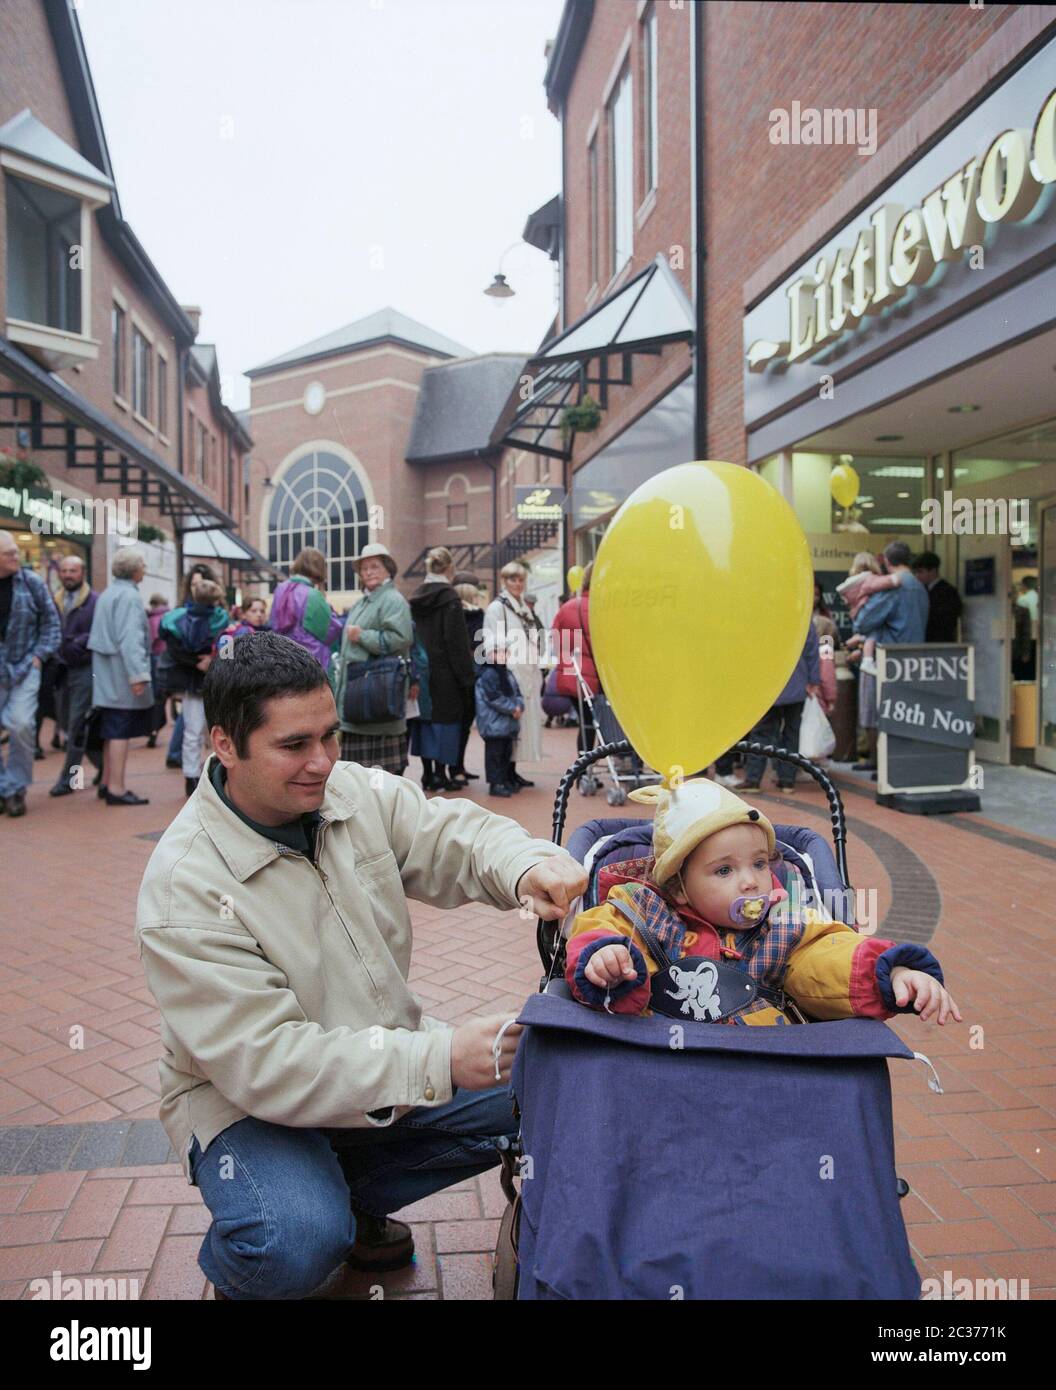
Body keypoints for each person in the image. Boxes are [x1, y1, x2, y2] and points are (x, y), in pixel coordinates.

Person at [135, 630, 586, 1300]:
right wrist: (436, 1061)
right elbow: (269, 1064)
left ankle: (349, 1200)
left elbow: (450, 836)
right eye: (293, 745)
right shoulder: (186, 889)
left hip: (377, 1067)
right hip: (244, 1105)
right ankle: (269, 1254)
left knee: (562, 1077)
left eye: (330, 735)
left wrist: (526, 865)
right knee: (294, 1237)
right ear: (224, 743)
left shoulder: (350, 793)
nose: (322, 762)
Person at [564, 778, 960, 1029]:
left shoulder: (784, 924)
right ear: (679, 885)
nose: (751, 880)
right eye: (724, 871)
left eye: (758, 863)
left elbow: (825, 959)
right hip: (663, 1064)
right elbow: (602, 927)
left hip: (762, 1066)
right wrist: (608, 958)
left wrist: (886, 974)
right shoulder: (646, 913)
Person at [846, 542, 929, 774]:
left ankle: (885, 764)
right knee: (905, 713)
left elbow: (864, 622)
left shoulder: (894, 588)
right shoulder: (920, 587)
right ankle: (899, 763)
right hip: (914, 659)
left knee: (881, 713)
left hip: (889, 659)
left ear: (887, 562)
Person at [334, 544, 413, 776]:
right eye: (364, 568)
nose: (368, 572)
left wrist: (363, 636)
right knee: (359, 780)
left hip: (376, 706)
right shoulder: (364, 602)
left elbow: (401, 638)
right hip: (362, 704)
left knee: (379, 783)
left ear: (388, 569)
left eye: (374, 566)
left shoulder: (392, 600)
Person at [0, 530, 60, 816]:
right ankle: (4, 787)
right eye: (9, 554)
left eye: (15, 552)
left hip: (25, 666)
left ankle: (16, 787)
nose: (16, 557)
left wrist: (38, 657)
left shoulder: (31, 582)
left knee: (21, 724)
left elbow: (51, 624)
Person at [88, 547, 154, 807]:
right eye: (143, 566)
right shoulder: (129, 597)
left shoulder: (109, 593)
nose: (145, 571)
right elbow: (131, 638)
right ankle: (116, 787)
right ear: (135, 569)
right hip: (120, 673)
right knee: (119, 730)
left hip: (107, 672)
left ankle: (107, 782)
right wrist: (138, 675)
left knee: (111, 729)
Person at [408, 547, 476, 792]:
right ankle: (441, 774)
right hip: (446, 673)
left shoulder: (414, 598)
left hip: (423, 671)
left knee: (426, 722)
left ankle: (427, 774)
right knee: (447, 724)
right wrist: (466, 677)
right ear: (449, 569)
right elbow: (456, 642)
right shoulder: (450, 599)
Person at [160, 576, 230, 796]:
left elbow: (174, 651)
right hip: (203, 681)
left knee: (196, 732)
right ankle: (199, 775)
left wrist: (204, 662)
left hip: (205, 680)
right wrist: (203, 663)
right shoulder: (217, 619)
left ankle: (195, 776)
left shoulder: (177, 619)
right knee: (202, 731)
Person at [735, 622, 821, 795]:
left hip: (770, 687)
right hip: (798, 684)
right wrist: (813, 679)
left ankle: (753, 779)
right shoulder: (803, 618)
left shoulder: (768, 616)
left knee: (762, 733)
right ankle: (787, 781)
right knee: (791, 734)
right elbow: (812, 650)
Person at [484, 562, 545, 788]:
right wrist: (504, 668)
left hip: (526, 672)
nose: (517, 584)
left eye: (520, 580)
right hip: (509, 673)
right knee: (506, 726)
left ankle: (512, 771)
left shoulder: (522, 607)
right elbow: (491, 642)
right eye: (512, 580)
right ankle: (502, 776)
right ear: (504, 581)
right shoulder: (497, 608)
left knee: (521, 726)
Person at [49, 555, 100, 797]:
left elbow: (97, 634)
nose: (68, 575)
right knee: (68, 724)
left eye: (73, 571)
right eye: (65, 570)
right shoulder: (52, 600)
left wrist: (74, 644)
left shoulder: (94, 602)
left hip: (84, 670)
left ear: (83, 573)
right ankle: (104, 766)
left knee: (77, 723)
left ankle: (69, 779)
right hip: (59, 670)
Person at [165, 564, 220, 770]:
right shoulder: (178, 618)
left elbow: (228, 644)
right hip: (193, 681)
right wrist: (198, 662)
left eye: (204, 584)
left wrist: (214, 660)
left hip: (216, 680)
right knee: (192, 730)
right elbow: (173, 649)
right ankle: (191, 775)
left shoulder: (220, 616)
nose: (200, 589)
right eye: (196, 584)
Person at [551, 561, 599, 756]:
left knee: (587, 724)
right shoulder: (603, 609)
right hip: (595, 679)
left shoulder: (567, 607)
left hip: (572, 676)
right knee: (594, 725)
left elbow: (555, 640)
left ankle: (583, 771)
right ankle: (586, 771)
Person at [270, 547, 344, 673]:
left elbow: (272, 622)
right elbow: (331, 631)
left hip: (283, 660)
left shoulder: (279, 590)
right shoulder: (312, 595)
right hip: (311, 663)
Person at [475, 634, 524, 799]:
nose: (503, 655)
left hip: (507, 724)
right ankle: (495, 784)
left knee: (505, 753)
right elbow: (493, 698)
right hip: (494, 724)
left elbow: (517, 692)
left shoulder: (507, 674)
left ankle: (503, 780)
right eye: (498, 652)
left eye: (505, 651)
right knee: (494, 755)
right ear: (489, 654)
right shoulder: (488, 674)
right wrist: (513, 709)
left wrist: (519, 706)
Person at [453, 579, 485, 782]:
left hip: (458, 673)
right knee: (464, 723)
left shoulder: (455, 616)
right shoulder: (477, 616)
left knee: (461, 724)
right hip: (473, 671)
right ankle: (458, 766)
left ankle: (457, 766)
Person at [911, 551, 962, 643]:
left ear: (933, 571)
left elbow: (946, 621)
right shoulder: (922, 590)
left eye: (920, 572)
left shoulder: (948, 592)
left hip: (940, 642)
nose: (917, 576)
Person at [145, 593, 170, 749]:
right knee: (167, 693)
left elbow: (151, 641)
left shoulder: (152, 620)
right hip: (169, 658)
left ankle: (153, 729)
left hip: (156, 658)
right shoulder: (168, 617)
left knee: (157, 695)